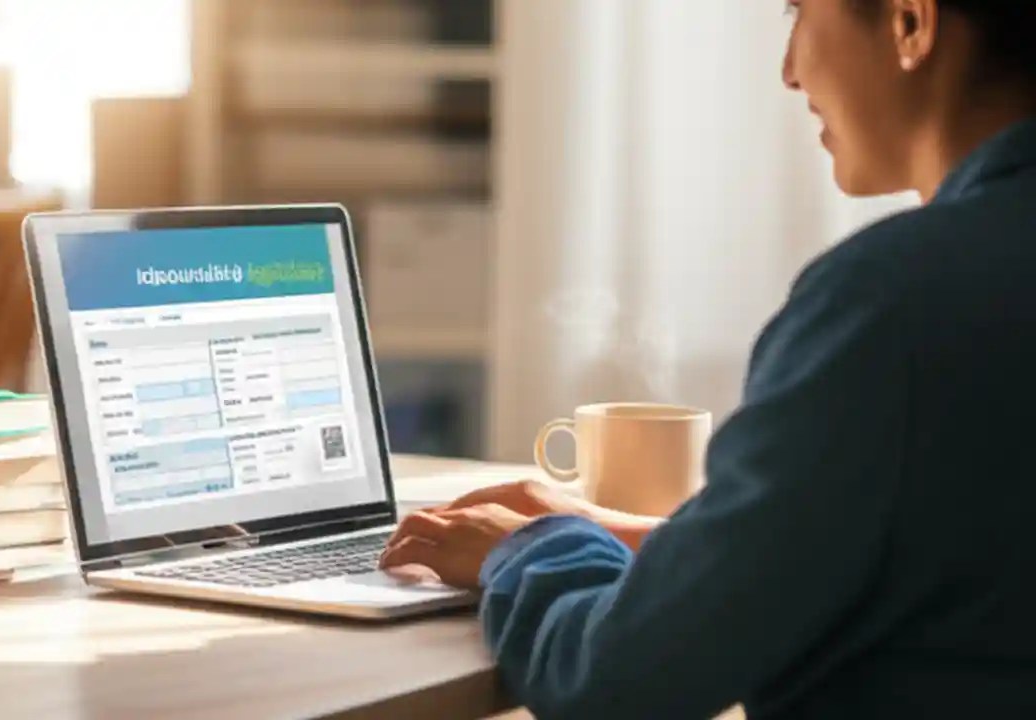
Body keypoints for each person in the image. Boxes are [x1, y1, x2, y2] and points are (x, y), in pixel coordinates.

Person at [379, 0, 1036, 717]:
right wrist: (647, 543)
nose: (789, 71)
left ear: (911, 22)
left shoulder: (890, 303)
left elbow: (621, 681)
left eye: (799, 13)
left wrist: (529, 554)